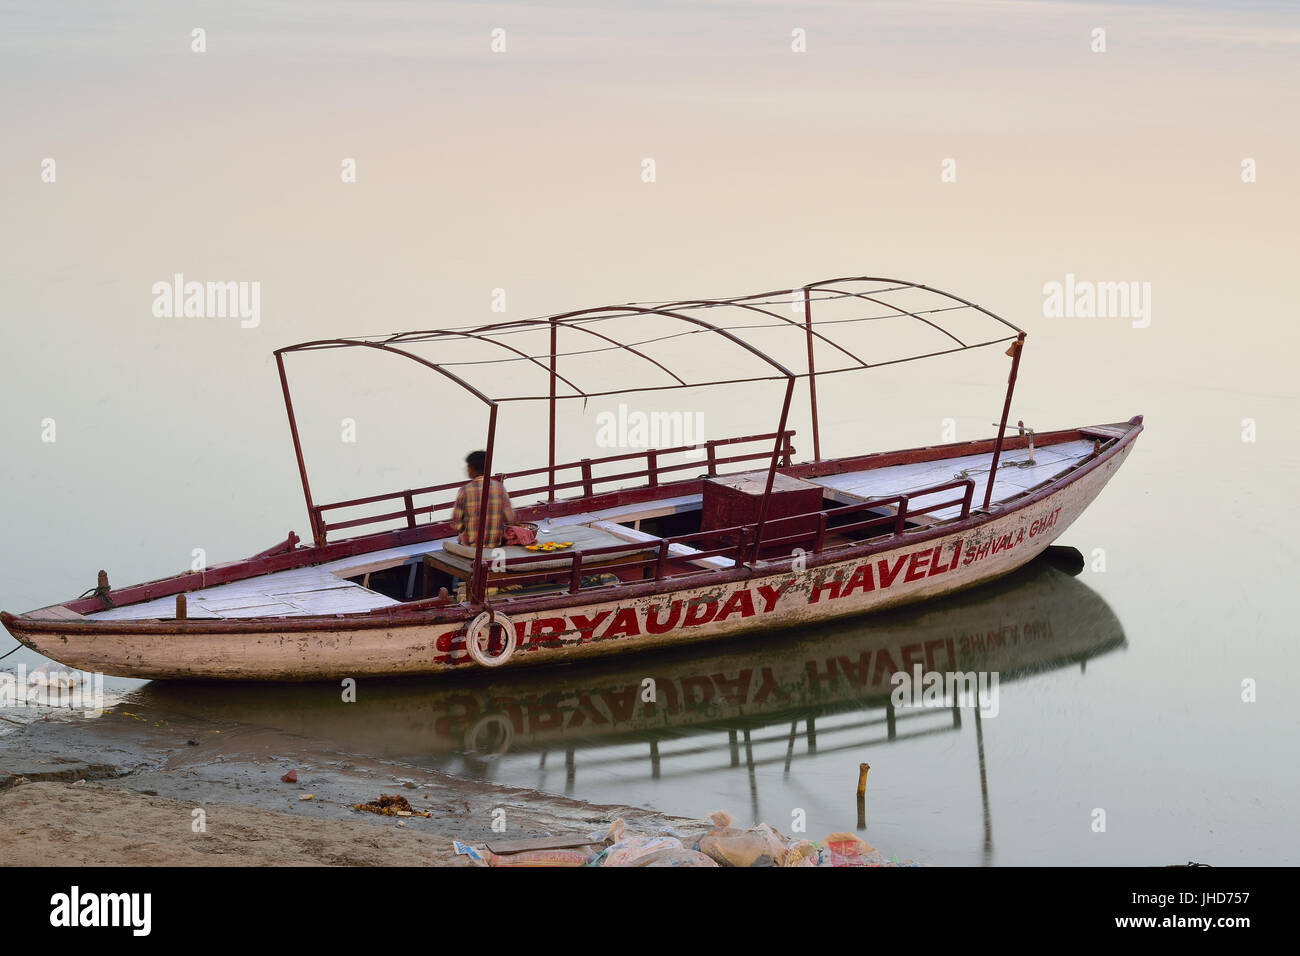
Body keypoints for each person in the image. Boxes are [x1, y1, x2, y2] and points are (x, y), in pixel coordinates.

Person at [451, 450, 515, 548]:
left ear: (472, 469)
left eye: (468, 467)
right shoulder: (500, 488)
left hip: (472, 546)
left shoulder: (465, 491)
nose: (467, 470)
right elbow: (510, 518)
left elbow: (456, 523)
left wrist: (464, 528)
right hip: (495, 544)